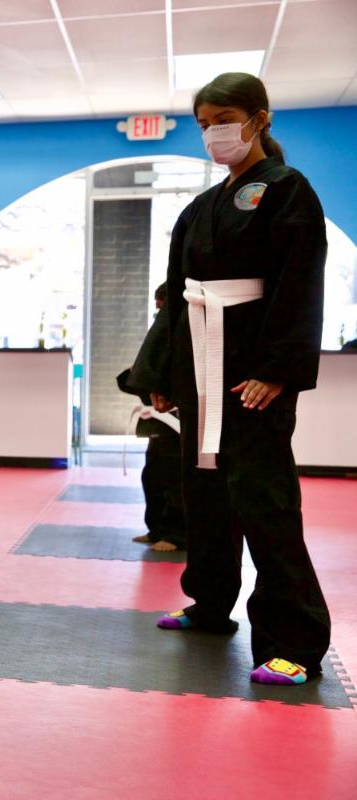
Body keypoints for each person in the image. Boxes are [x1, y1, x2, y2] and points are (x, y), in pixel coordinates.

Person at [151, 73, 331, 686]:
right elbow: (175, 298)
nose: (212, 132)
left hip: (251, 373)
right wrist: (162, 373)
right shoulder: (200, 208)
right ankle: (209, 605)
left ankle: (294, 643)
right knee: (203, 494)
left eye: (222, 118)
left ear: (259, 119)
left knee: (264, 500)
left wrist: (277, 371)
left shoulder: (287, 192)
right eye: (202, 122)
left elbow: (301, 283)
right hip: (200, 364)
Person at [118, 283, 185, 552]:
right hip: (159, 420)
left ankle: (177, 534)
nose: (158, 312)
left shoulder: (184, 330)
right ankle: (156, 528)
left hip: (179, 419)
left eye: (161, 306)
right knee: (152, 475)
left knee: (174, 479)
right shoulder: (163, 331)